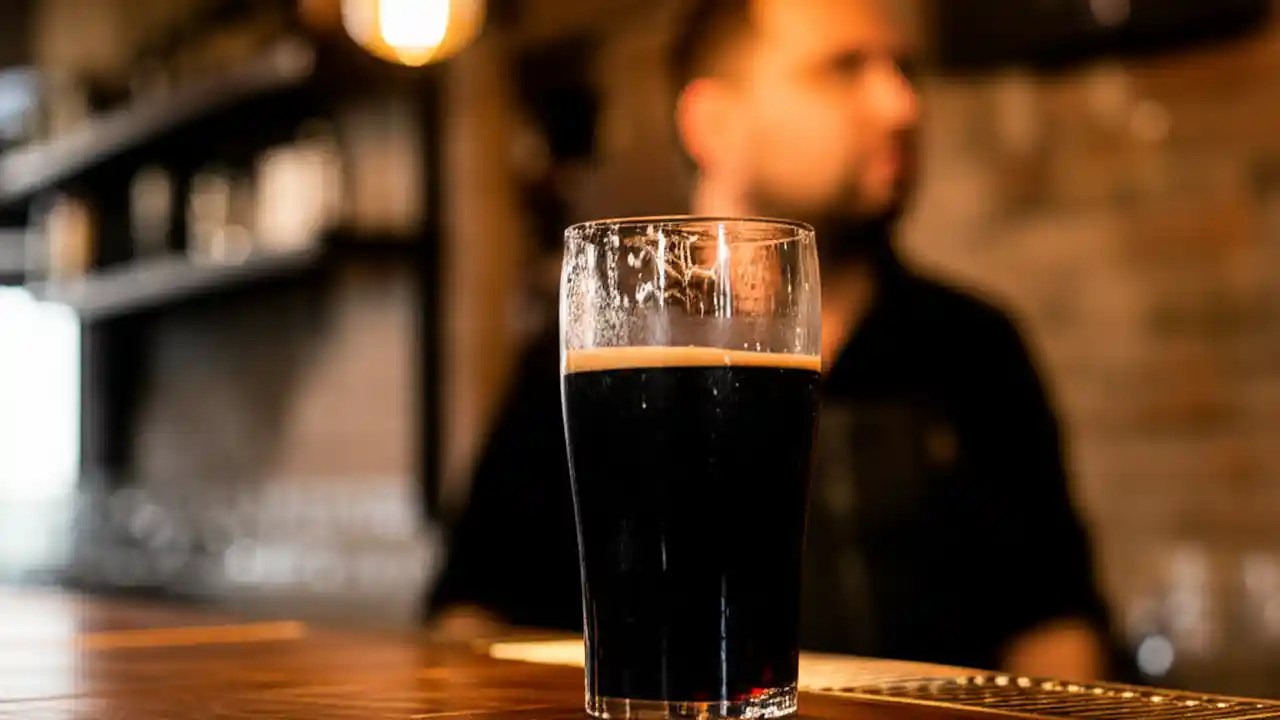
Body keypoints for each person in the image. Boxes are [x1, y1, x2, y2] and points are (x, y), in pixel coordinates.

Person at [429, 0, 1113, 680]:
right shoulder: (594, 355)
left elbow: (1055, 629)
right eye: (843, 70)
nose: (901, 105)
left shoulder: (974, 348)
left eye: (905, 70)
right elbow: (468, 618)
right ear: (713, 122)